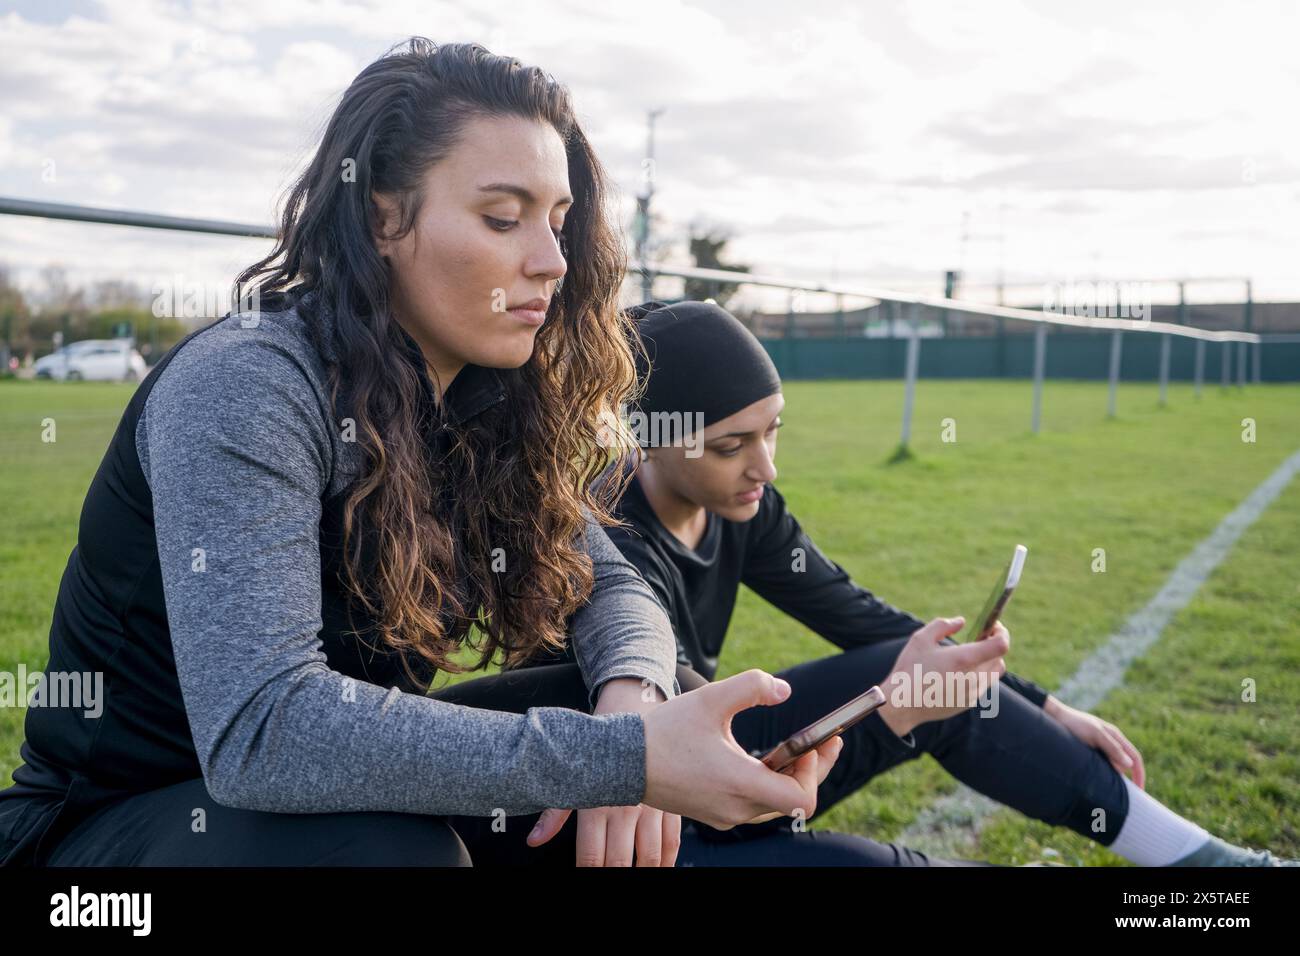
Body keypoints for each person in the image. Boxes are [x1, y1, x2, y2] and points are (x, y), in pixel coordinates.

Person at [0, 41, 843, 869]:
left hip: (315, 810)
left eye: (558, 221)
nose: (551, 260)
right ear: (382, 218)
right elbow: (264, 731)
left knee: (640, 704)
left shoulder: (486, 395)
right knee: (395, 849)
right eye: (503, 218)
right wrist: (622, 758)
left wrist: (635, 701)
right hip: (105, 835)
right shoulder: (249, 382)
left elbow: (611, 580)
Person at [521, 298, 1297, 868]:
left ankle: (1215, 871)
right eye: (732, 445)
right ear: (650, 442)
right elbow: (698, 743)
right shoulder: (607, 536)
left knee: (937, 681)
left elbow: (862, 621)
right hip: (618, 825)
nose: (766, 467)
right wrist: (896, 706)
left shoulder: (744, 510)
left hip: (703, 778)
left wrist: (1047, 705)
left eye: (773, 431)